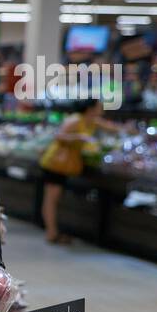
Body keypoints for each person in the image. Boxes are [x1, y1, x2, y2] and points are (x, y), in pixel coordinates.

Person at [38, 99, 118, 244]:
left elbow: (112, 128)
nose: (102, 109)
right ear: (90, 108)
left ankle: (52, 231)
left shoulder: (91, 121)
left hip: (64, 165)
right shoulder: (75, 120)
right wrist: (78, 137)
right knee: (51, 199)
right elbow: (59, 135)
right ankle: (51, 233)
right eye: (99, 106)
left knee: (54, 198)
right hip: (55, 164)